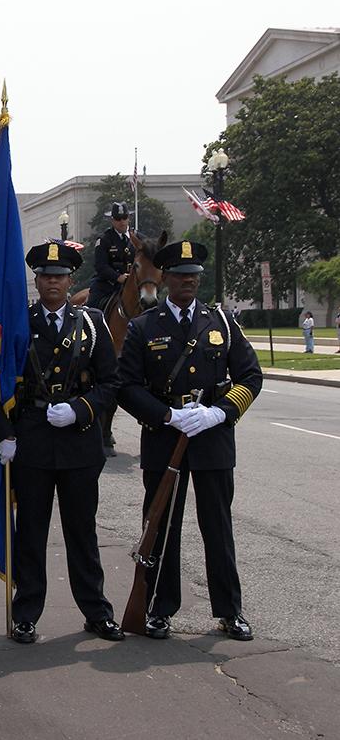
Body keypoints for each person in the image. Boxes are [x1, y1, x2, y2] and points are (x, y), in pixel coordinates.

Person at [117, 241, 262, 641]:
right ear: (163, 278)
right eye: (180, 274)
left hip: (212, 438)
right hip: (165, 439)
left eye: (194, 274)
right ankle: (160, 609)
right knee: (162, 526)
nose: (189, 280)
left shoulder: (222, 323)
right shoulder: (144, 327)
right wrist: (168, 415)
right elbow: (125, 385)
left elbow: (251, 377)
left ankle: (230, 611)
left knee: (217, 527)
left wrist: (220, 412)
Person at [0, 242, 125, 644]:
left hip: (78, 442)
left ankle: (96, 611)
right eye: (46, 275)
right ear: (36, 280)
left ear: (70, 281)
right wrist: (2, 435)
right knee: (31, 533)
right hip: (31, 441)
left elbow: (111, 383)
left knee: (82, 533)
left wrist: (81, 409)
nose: (53, 282)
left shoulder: (93, 324)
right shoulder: (18, 324)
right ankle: (26, 612)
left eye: (60, 276)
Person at [85, 201, 136, 312]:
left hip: (134, 283)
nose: (122, 222)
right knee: (91, 309)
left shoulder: (139, 238)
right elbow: (100, 265)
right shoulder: (104, 239)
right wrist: (118, 277)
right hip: (108, 285)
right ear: (112, 220)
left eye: (124, 218)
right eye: (118, 219)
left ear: (128, 218)